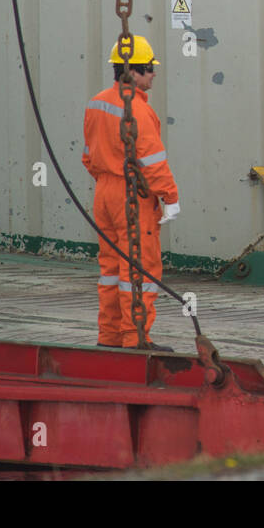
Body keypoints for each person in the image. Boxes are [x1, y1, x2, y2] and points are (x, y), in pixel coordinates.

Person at [82, 35, 180, 350]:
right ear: (134, 72)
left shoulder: (96, 103)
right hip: (131, 196)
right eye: (149, 68)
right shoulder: (136, 110)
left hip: (103, 192)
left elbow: (88, 155)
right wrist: (169, 196)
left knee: (111, 268)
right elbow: (152, 160)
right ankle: (134, 337)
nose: (154, 74)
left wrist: (108, 177)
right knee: (139, 266)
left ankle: (109, 336)